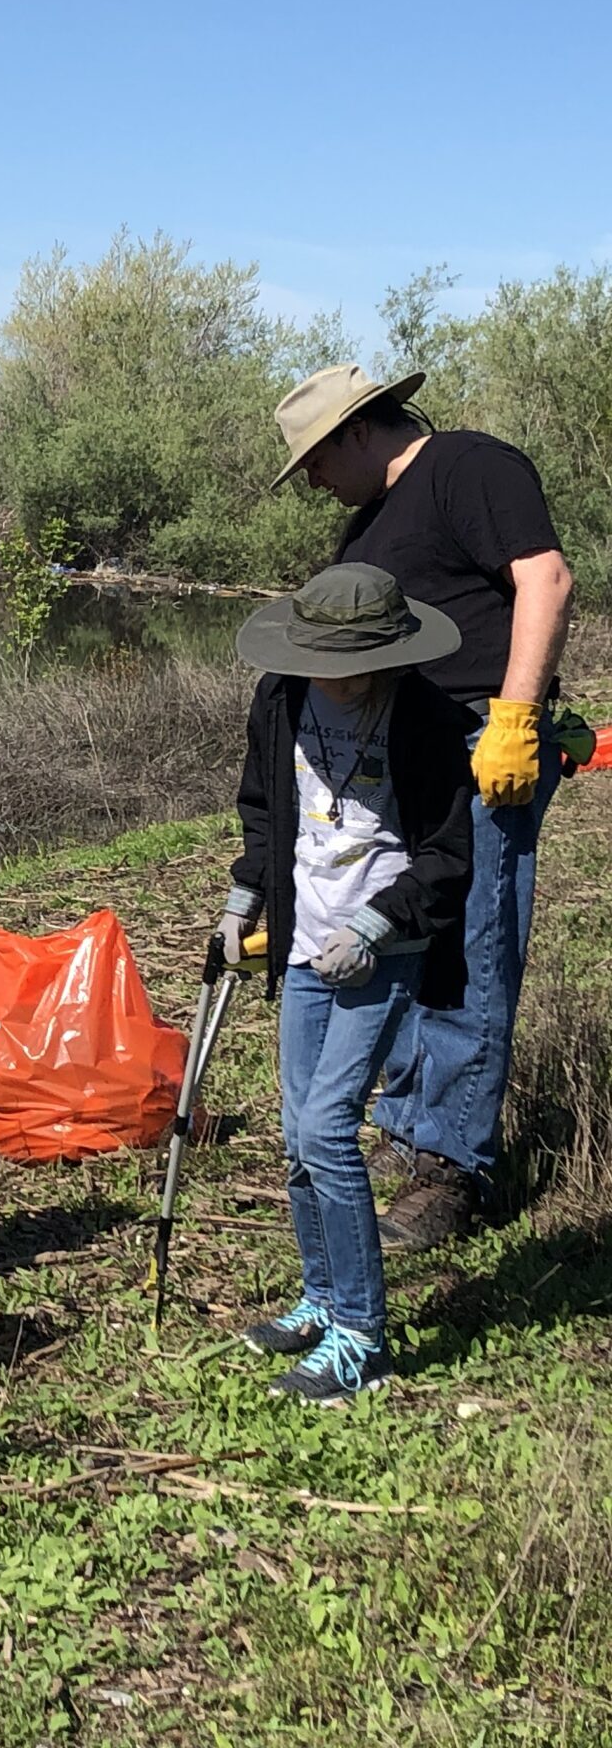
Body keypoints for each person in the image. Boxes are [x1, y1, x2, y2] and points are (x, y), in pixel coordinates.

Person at [271, 366, 574, 1248]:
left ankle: (452, 1168)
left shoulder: (471, 466)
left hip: (483, 742)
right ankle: (408, 1132)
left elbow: (546, 580)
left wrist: (515, 717)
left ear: (357, 430)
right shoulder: (372, 520)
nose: (316, 485)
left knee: (469, 949)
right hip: (397, 759)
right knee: (405, 937)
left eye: (317, 463)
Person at [224, 564, 473, 1403]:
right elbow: (264, 809)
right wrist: (243, 898)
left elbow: (446, 859)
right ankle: (322, 1300)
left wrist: (374, 927)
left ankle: (362, 1336)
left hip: (385, 949)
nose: (326, 668)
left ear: (383, 650)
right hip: (303, 944)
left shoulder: (428, 721)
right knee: (298, 1135)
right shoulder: (282, 696)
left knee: (330, 1128)